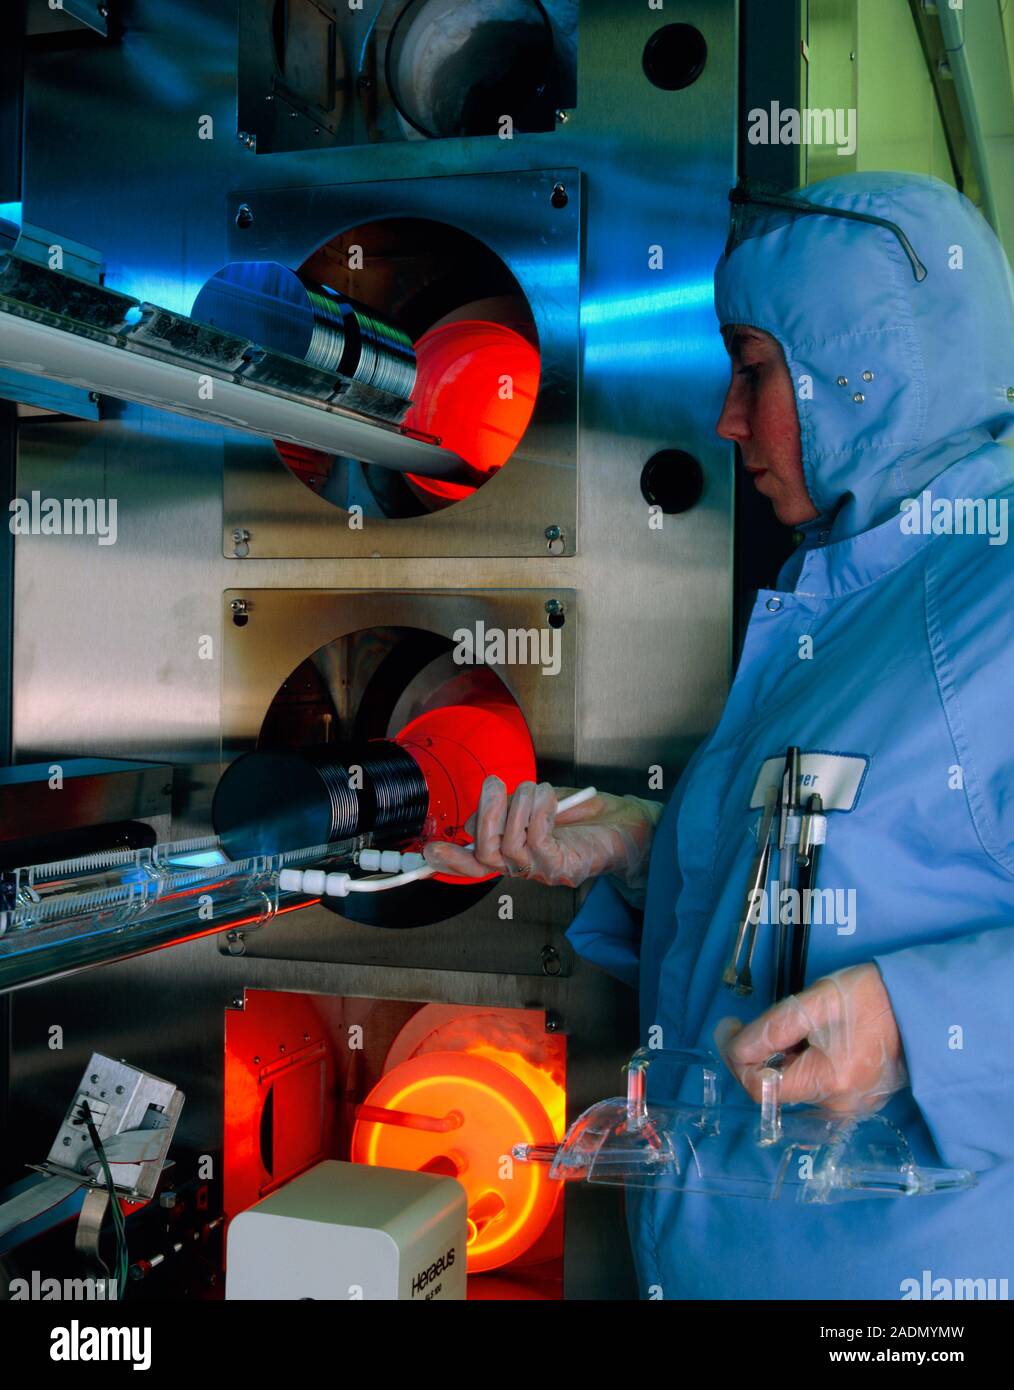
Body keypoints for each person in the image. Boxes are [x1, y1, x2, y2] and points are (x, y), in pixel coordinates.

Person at [424, 172, 1014, 1300]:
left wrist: (918, 1026)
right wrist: (648, 848)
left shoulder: (994, 592)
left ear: (867, 366)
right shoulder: (846, 606)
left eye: (752, 369)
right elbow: (832, 882)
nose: (726, 417)